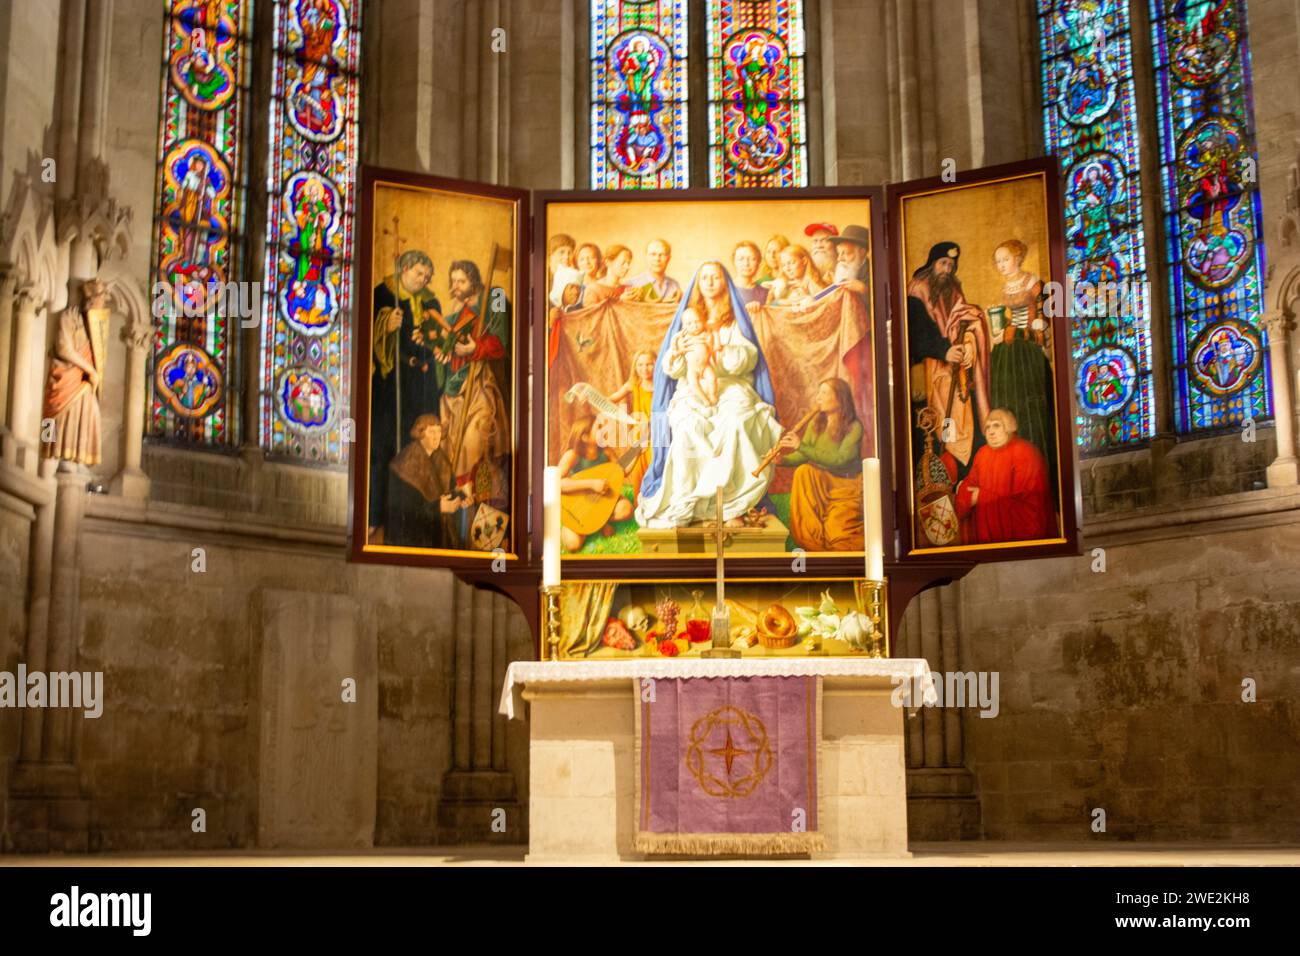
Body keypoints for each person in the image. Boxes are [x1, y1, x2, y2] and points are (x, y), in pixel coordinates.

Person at [636, 261, 783, 530]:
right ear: (698, 284)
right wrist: (680, 353)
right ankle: (687, 504)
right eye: (705, 277)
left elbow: (748, 359)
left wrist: (721, 353)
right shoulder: (688, 320)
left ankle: (731, 506)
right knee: (687, 428)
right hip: (690, 390)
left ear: (724, 283)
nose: (711, 282)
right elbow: (671, 367)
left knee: (737, 422)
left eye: (716, 277)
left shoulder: (734, 322)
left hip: (730, 386)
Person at [369, 250, 443, 540]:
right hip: (390, 385)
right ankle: (378, 516)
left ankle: (412, 522)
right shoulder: (382, 295)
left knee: (416, 451)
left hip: (420, 386)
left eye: (426, 276)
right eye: (418, 273)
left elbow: (437, 336)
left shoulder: (430, 301)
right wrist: (385, 326)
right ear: (404, 269)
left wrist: (429, 338)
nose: (422, 280)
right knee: (384, 448)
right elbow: (367, 336)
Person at [906, 241, 991, 482]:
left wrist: (968, 343)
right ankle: (948, 477)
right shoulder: (918, 290)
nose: (947, 270)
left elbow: (963, 320)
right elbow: (918, 333)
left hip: (958, 370)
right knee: (940, 425)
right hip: (930, 370)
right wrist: (945, 351)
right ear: (933, 264)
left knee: (964, 419)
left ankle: (965, 476)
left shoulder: (953, 290)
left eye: (952, 266)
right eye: (943, 264)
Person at [433, 260, 511, 495]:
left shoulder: (496, 296)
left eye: (462, 281)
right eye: (453, 281)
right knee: (451, 447)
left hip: (481, 384)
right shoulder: (456, 312)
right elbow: (447, 346)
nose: (456, 286)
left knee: (475, 441)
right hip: (454, 390)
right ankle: (460, 507)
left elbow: (501, 341)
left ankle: (481, 499)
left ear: (474, 280)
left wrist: (474, 349)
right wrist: (441, 352)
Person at [989, 238, 1056, 491]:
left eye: (1005, 259)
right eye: (998, 262)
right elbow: (1008, 320)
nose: (1002, 265)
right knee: (1009, 403)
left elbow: (1041, 326)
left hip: (1028, 352)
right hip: (1009, 352)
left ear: (1017, 258)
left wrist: (1019, 332)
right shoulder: (1006, 288)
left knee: (1031, 410)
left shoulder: (1034, 284)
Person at [778, 378, 865, 552]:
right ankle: (811, 541)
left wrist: (800, 445)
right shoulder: (816, 423)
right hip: (822, 483)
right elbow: (803, 455)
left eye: (824, 393)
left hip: (847, 487)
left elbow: (840, 459)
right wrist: (782, 461)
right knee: (804, 472)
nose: (818, 398)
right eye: (819, 393)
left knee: (838, 537)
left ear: (840, 398)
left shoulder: (854, 427)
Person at [954, 408, 1053, 545]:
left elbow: (1030, 509)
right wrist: (966, 496)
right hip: (986, 537)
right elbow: (969, 485)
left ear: (1009, 427)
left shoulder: (1026, 453)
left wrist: (981, 496)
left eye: (996, 425)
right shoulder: (982, 454)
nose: (991, 431)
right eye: (987, 427)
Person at [42, 278, 109, 467]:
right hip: (64, 378)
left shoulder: (94, 327)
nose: (103, 303)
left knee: (91, 416)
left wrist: (93, 373)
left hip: (82, 383)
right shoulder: (68, 317)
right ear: (91, 300)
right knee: (51, 420)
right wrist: (90, 370)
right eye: (102, 298)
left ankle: (72, 462)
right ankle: (47, 456)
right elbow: (64, 349)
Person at [385, 414, 471, 549]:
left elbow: (449, 490)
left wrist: (461, 499)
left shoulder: (440, 457)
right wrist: (439, 508)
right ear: (420, 434)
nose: (437, 436)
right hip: (414, 541)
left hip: (437, 533)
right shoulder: (407, 462)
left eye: (439, 431)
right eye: (431, 432)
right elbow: (407, 510)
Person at [557, 415, 635, 552]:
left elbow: (620, 472)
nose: (605, 430)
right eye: (599, 427)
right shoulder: (572, 455)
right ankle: (594, 525)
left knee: (626, 509)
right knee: (573, 544)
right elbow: (557, 483)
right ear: (585, 437)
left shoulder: (606, 452)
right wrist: (591, 484)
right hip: (579, 507)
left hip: (603, 502)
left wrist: (637, 452)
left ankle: (599, 523)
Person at [607, 349, 656, 493]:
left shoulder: (661, 385)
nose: (644, 369)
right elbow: (611, 399)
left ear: (656, 364)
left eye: (649, 364)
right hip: (640, 436)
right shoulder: (633, 385)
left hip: (658, 434)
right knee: (639, 472)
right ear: (635, 366)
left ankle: (656, 508)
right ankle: (640, 506)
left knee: (655, 467)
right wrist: (591, 396)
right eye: (640, 365)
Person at [668, 306, 719, 407]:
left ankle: (712, 396)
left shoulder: (705, 334)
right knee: (694, 384)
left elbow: (713, 344)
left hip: (705, 366)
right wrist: (675, 348)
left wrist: (711, 339)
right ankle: (704, 399)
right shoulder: (684, 337)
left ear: (703, 321)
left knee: (712, 379)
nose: (694, 326)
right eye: (689, 323)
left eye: (697, 321)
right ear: (684, 326)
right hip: (692, 369)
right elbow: (674, 340)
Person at [624, 238, 682, 302]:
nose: (657, 259)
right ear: (646, 257)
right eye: (653, 254)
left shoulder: (674, 285)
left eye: (662, 254)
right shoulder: (633, 283)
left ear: (668, 258)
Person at [731, 240, 769, 311]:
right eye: (741, 259)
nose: (746, 264)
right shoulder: (726, 290)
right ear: (734, 262)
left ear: (758, 262)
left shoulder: (765, 292)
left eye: (752, 259)